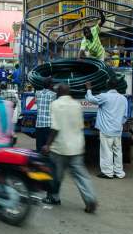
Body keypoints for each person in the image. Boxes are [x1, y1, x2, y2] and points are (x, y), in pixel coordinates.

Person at [41, 84, 97, 212]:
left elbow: (55, 127)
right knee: (81, 175)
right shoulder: (76, 105)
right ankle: (90, 199)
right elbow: (80, 126)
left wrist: (47, 145)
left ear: (59, 92)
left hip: (60, 147)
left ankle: (54, 197)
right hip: (76, 146)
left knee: (56, 175)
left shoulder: (55, 104)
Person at [85, 80, 128, 179]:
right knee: (117, 151)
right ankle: (119, 172)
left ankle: (108, 172)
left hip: (106, 130)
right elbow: (125, 116)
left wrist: (89, 89)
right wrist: (118, 124)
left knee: (106, 151)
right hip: (117, 130)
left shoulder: (104, 96)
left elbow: (91, 99)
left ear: (107, 87)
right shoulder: (123, 98)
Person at [34, 77, 57, 152]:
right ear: (50, 85)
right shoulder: (54, 95)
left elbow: (36, 103)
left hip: (39, 124)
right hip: (48, 125)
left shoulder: (37, 93)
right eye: (52, 84)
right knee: (48, 148)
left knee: (39, 148)